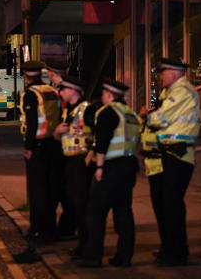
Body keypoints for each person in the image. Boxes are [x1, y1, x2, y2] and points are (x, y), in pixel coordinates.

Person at [143, 58, 201, 267]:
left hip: (179, 155)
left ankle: (177, 252)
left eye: (164, 72)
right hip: (167, 155)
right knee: (163, 204)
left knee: (172, 205)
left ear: (175, 73)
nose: (160, 76)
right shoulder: (169, 93)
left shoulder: (183, 91)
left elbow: (161, 118)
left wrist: (149, 116)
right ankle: (169, 248)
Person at [78, 78, 139, 268]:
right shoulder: (129, 113)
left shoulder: (108, 112)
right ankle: (124, 257)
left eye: (104, 94)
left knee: (96, 213)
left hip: (111, 167)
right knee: (124, 213)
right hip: (128, 165)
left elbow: (103, 141)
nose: (102, 98)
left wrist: (99, 168)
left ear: (110, 95)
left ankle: (92, 257)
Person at [19, 60, 61, 245]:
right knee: (50, 190)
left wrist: (28, 147)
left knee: (37, 192)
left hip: (38, 146)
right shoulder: (51, 91)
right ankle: (50, 230)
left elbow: (32, 123)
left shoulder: (30, 94)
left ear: (26, 76)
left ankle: (38, 230)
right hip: (54, 144)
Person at [53, 75, 96, 258]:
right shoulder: (69, 111)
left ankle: (87, 247)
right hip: (70, 161)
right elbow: (60, 136)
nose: (60, 93)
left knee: (82, 205)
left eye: (62, 90)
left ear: (72, 90)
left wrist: (91, 155)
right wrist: (57, 132)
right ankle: (82, 246)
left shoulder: (87, 109)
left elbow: (99, 134)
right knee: (74, 204)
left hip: (81, 161)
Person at [44, 59, 74, 240]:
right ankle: (65, 227)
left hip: (61, 146)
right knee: (64, 191)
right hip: (65, 147)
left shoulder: (61, 93)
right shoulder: (65, 90)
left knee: (57, 190)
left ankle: (60, 229)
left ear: (52, 73)